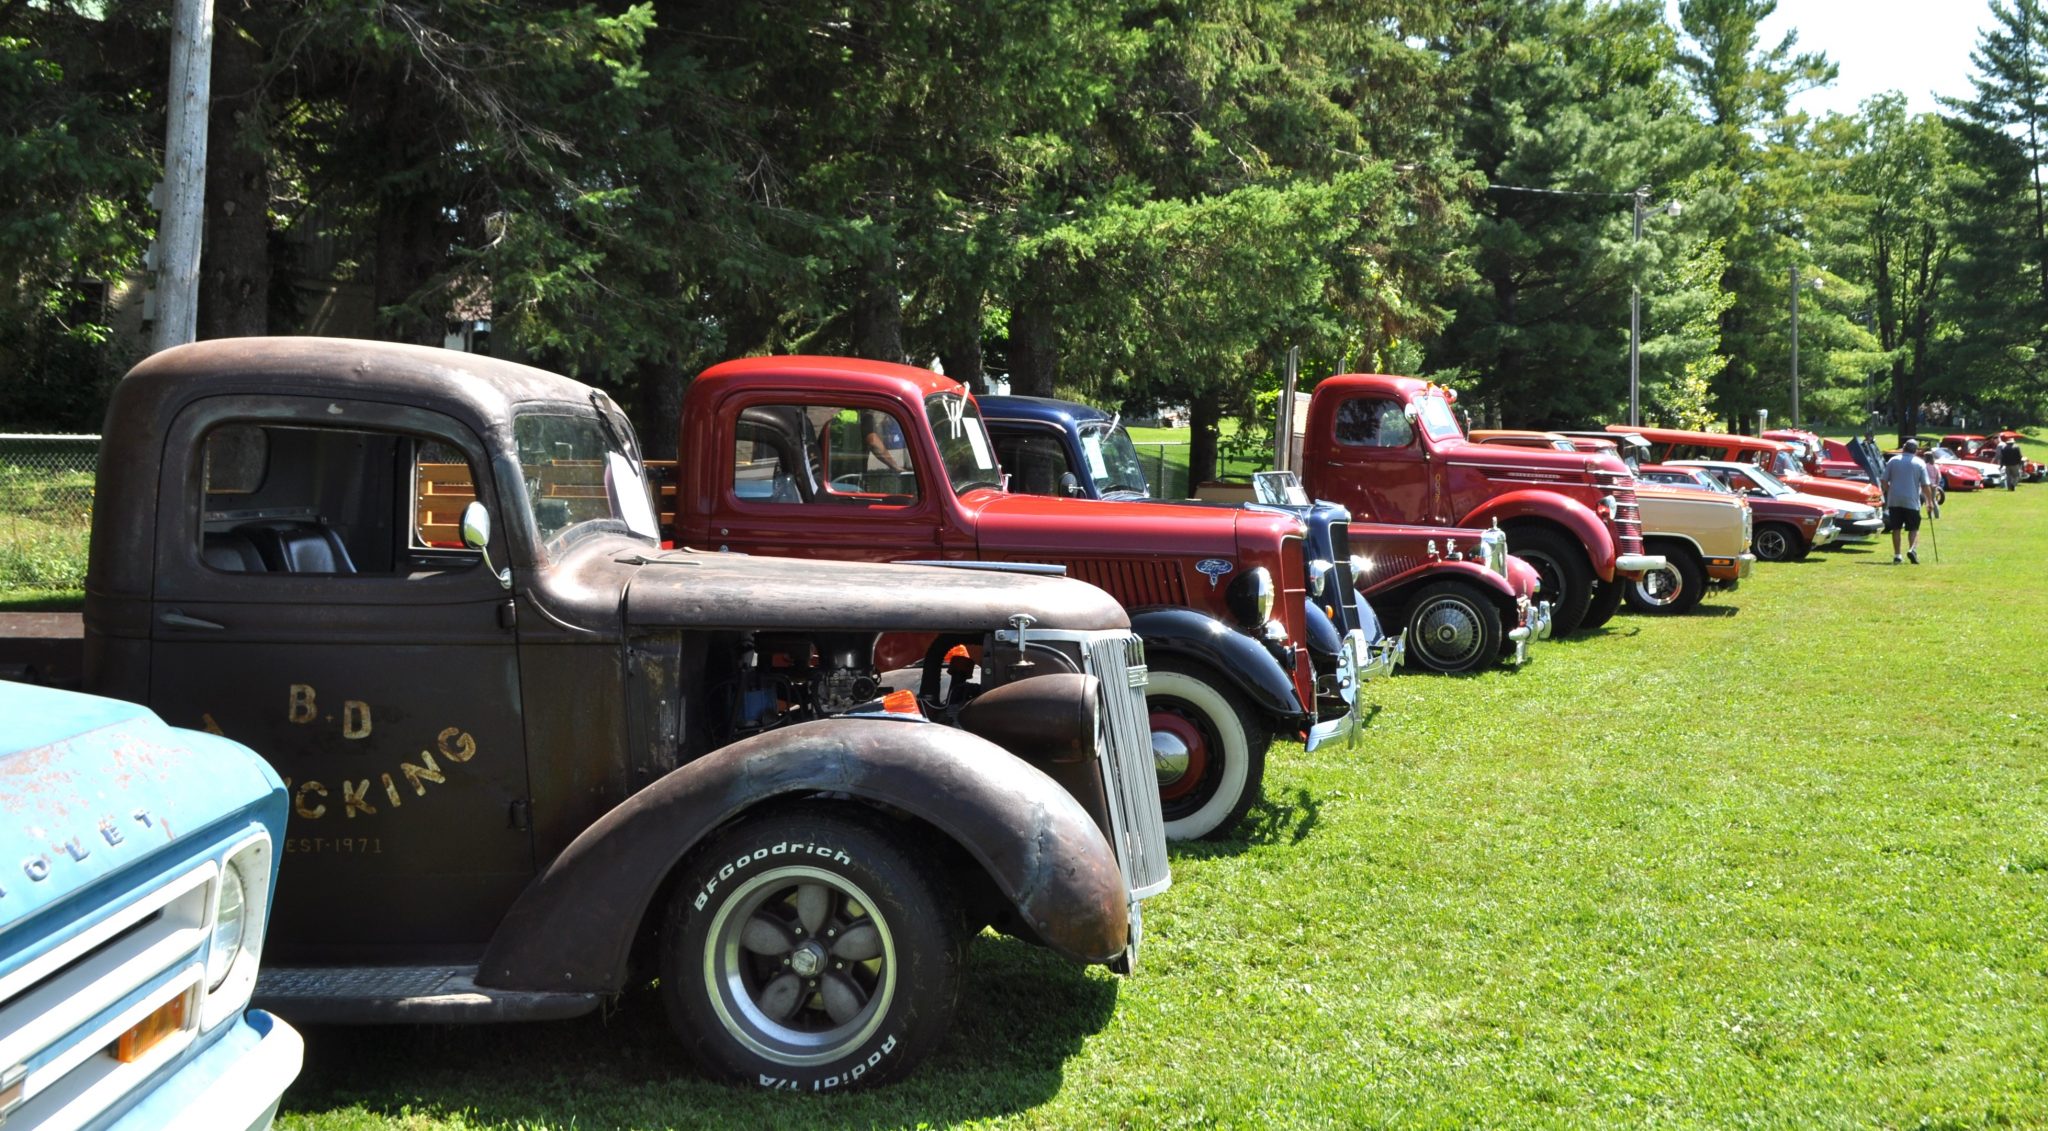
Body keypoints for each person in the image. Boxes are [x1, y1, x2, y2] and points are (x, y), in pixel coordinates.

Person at [1881, 438, 1935, 564]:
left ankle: (1897, 555)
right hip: (1911, 500)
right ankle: (1912, 549)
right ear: (1915, 451)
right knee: (1914, 528)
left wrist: (1890, 491)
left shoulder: (1893, 461)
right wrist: (1929, 502)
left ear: (1904, 448)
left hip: (1895, 500)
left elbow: (1883, 480)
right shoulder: (1919, 463)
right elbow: (1925, 485)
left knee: (1896, 528)